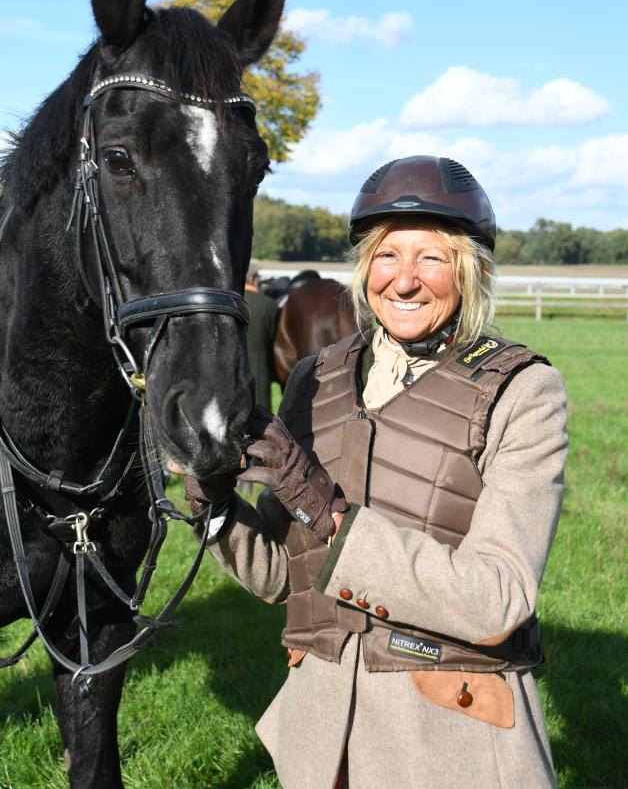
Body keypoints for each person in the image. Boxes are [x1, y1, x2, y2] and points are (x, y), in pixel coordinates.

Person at [187, 156, 568, 789]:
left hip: (448, 735)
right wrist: (212, 499)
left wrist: (330, 514)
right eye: (387, 255)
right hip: (321, 736)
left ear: (468, 270)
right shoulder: (315, 378)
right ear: (365, 267)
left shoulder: (525, 392)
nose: (405, 280)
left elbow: (499, 597)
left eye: (431, 258)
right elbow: (283, 575)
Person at [244, 260, 279, 411]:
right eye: (258, 276)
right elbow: (273, 339)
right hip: (259, 373)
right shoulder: (269, 305)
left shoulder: (229, 301)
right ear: (252, 279)